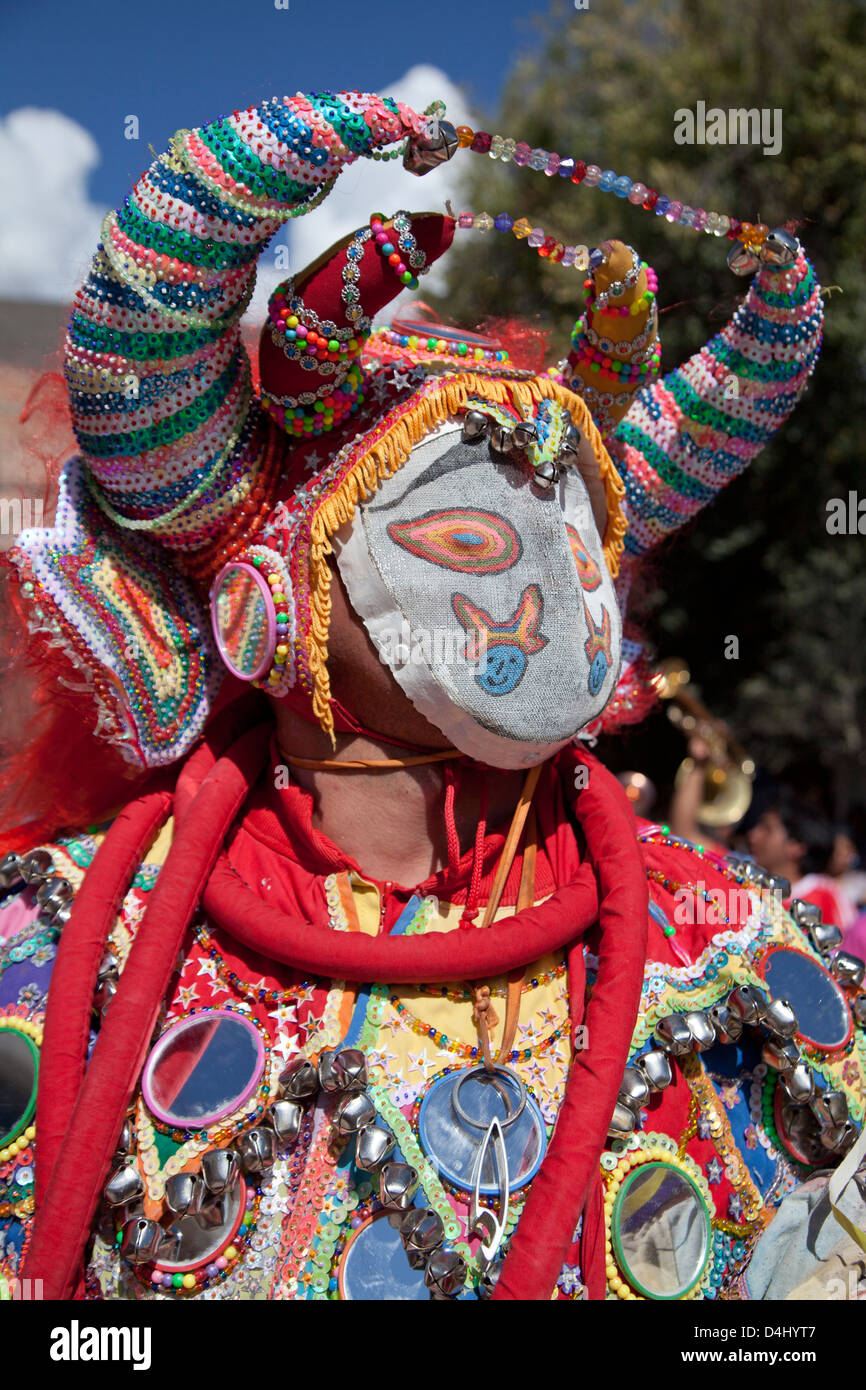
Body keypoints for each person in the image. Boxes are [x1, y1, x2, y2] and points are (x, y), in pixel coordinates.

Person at [0, 88, 862, 1304]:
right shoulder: (58, 949)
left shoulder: (738, 952)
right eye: (465, 538)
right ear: (271, 602)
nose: (550, 597)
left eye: (574, 539)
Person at [747, 794, 858, 931]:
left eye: (767, 829)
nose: (753, 835)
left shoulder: (827, 896)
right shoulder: (743, 884)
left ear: (796, 846)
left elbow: (849, 946)